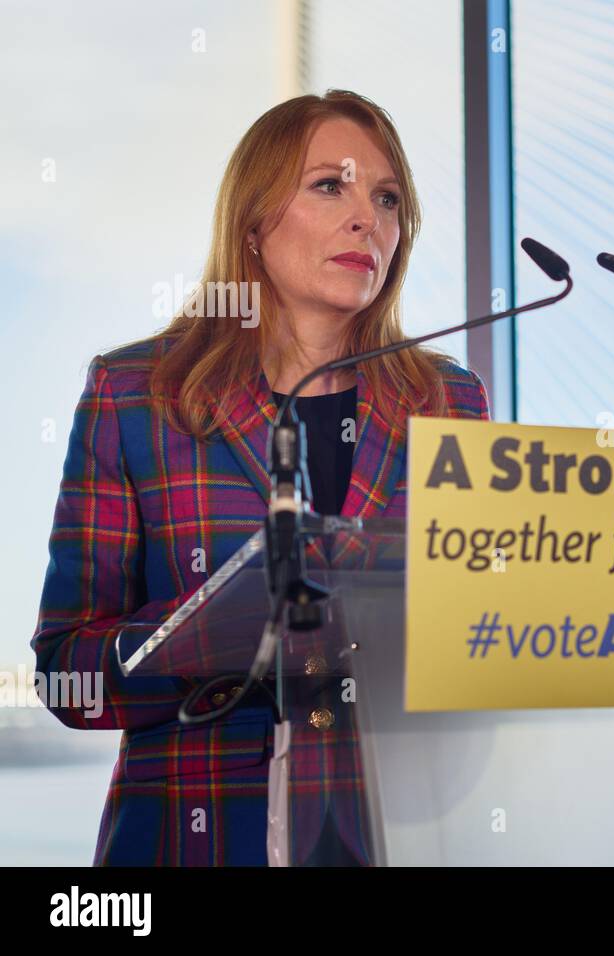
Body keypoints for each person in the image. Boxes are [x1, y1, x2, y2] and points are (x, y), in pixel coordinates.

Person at [31, 89, 489, 866]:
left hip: (399, 837)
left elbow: (479, 637)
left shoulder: (450, 401)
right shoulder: (135, 392)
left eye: (387, 198)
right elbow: (65, 671)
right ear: (252, 219)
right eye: (330, 185)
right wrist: (206, 641)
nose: (366, 219)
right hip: (195, 838)